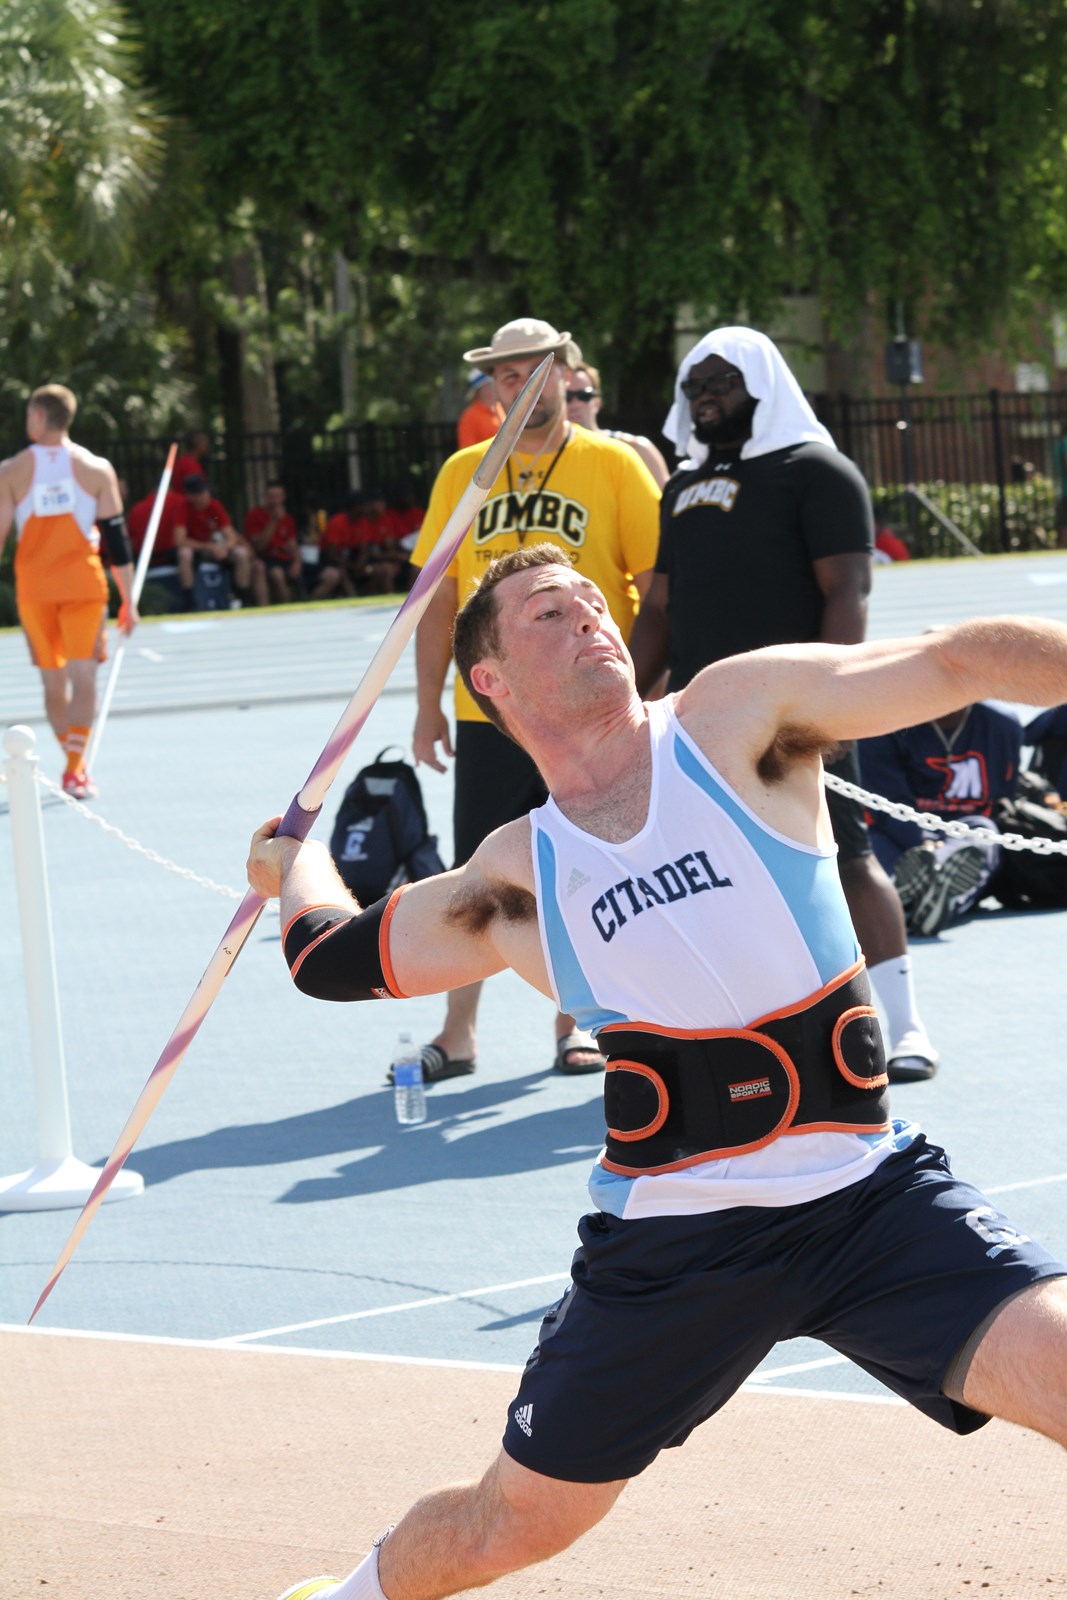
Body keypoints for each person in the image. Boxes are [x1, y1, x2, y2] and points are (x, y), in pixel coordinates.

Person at [248, 546, 1067, 1600]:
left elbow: (955, 660)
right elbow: (331, 956)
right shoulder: (514, 873)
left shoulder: (733, 718)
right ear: (488, 678)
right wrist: (289, 860)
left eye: (595, 600)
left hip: (867, 1203)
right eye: (550, 612)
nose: (589, 615)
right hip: (673, 1249)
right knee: (505, 1524)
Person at [627, 326, 939, 1084]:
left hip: (799, 712)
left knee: (848, 860)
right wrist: (628, 700)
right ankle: (752, 1036)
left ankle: (904, 1027)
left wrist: (829, 705)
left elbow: (846, 593)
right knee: (719, 871)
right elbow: (661, 607)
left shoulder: (818, 471)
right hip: (702, 720)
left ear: (762, 386)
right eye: (692, 383)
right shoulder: (680, 487)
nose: (702, 394)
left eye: (720, 381)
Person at [409, 316, 660, 1080]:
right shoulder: (463, 473)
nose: (519, 388)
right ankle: (458, 1033)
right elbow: (436, 597)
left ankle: (579, 1024)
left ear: (565, 375)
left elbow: (655, 593)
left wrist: (643, 696)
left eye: (534, 372)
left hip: (589, 712)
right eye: (506, 376)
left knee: (587, 866)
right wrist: (427, 704)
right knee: (477, 875)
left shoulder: (614, 467)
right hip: (493, 707)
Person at [0, 383, 138, 799]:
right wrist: (129, 599)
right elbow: (117, 540)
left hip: (36, 590)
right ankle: (75, 767)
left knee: (54, 685)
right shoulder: (97, 469)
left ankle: (73, 765)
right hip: (83, 586)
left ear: (40, 417)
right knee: (83, 679)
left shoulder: (12, 470)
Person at [857, 700, 1023, 936]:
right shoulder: (882, 725)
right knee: (870, 844)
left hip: (965, 828)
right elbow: (887, 803)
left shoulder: (1002, 724)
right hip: (897, 829)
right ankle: (914, 898)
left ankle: (914, 902)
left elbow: (999, 796)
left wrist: (935, 853)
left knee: (983, 835)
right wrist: (922, 841)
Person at [564, 361, 671, 488]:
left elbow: (668, 503)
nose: (575, 404)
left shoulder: (638, 449)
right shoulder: (545, 453)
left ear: (597, 403)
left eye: (584, 395)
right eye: (567, 396)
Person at [176, 473, 253, 610]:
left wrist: (223, 548)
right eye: (199, 493)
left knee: (241, 554)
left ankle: (243, 598)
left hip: (216, 549)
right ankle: (189, 601)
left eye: (205, 491)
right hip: (197, 550)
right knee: (184, 554)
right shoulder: (182, 507)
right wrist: (209, 547)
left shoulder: (214, 506)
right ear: (190, 496)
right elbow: (179, 540)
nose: (205, 496)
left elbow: (231, 536)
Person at [245, 480, 302, 606]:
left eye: (278, 496)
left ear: (283, 497)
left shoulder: (288, 519)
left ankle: (291, 607)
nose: (275, 500)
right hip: (265, 557)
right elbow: (259, 547)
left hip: (283, 557)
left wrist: (297, 562)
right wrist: (274, 521)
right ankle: (278, 607)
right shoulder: (254, 515)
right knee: (277, 573)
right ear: (265, 497)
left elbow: (292, 544)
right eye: (271, 496)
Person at [126, 482, 188, 569]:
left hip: (143, 560)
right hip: (171, 557)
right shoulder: (180, 501)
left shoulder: (136, 508)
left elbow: (131, 539)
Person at [456, 370, 504, 448]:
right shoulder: (469, 417)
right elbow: (468, 450)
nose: (492, 388)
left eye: (493, 384)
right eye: (487, 386)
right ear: (478, 391)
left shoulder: (503, 408)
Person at [171, 428, 212, 499]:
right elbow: (197, 494)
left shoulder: (182, 462)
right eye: (204, 441)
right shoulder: (190, 465)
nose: (207, 444)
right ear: (197, 443)